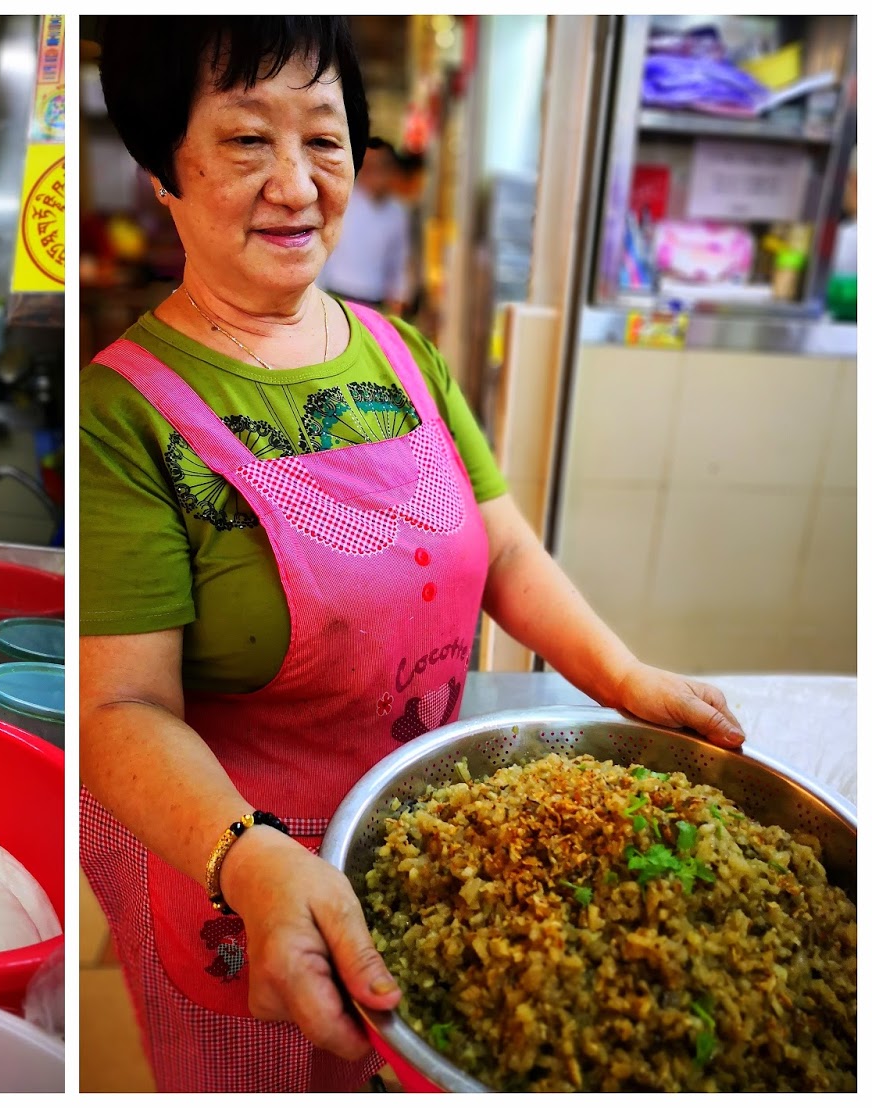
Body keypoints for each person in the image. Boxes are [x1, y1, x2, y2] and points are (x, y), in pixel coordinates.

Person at [80, 16, 745, 1093]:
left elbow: (506, 548)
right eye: (248, 141)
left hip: (422, 841)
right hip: (240, 865)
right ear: (164, 168)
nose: (296, 185)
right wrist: (246, 860)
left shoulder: (400, 350)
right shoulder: (123, 410)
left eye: (325, 140)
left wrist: (624, 678)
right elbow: (120, 714)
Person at [316, 137, 412, 316]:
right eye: (368, 165)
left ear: (392, 169)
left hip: (375, 300)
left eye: (380, 165)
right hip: (335, 293)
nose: (373, 172)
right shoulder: (342, 200)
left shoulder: (397, 212)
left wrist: (399, 295)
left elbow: (399, 258)